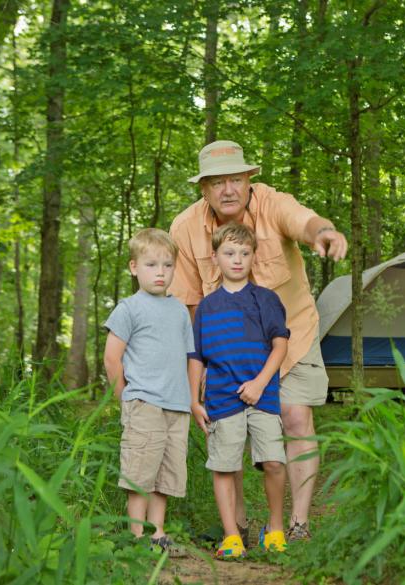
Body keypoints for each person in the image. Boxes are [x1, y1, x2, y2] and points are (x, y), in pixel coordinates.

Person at [170, 139, 347, 542]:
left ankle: (297, 523)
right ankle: (239, 527)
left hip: (292, 334)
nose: (227, 189)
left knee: (296, 416)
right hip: (228, 351)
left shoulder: (271, 203)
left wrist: (325, 232)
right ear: (204, 189)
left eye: (235, 178)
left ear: (250, 179)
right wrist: (200, 372)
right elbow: (193, 304)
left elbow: (304, 221)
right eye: (217, 182)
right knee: (226, 428)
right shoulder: (184, 229)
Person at [189, 223, 290, 558]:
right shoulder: (206, 307)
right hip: (221, 400)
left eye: (244, 253)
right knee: (225, 466)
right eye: (229, 253)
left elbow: (279, 346)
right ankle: (232, 536)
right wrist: (194, 400)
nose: (237, 260)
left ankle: (274, 529)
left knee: (274, 461)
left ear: (253, 257)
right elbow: (197, 358)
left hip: (264, 397)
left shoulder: (266, 300)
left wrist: (260, 383)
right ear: (215, 257)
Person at [103, 228, 194, 555]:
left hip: (176, 405)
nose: (160, 272)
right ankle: (136, 536)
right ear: (133, 267)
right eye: (151, 264)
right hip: (144, 403)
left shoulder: (180, 310)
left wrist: (190, 398)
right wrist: (125, 397)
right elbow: (112, 358)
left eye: (167, 265)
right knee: (141, 472)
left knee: (166, 474)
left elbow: (187, 357)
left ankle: (158, 534)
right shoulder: (129, 308)